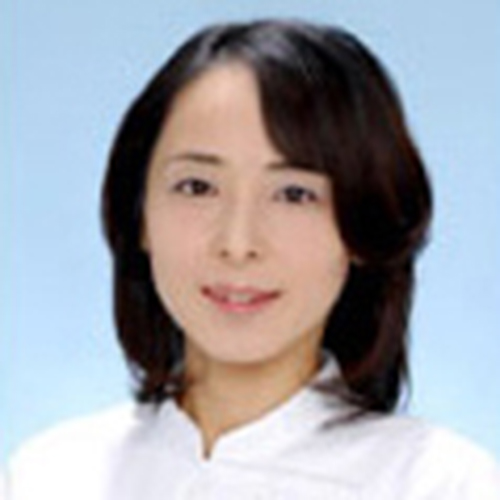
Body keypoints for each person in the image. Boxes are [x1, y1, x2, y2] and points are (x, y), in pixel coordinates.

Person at [4, 19, 499, 500]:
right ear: (139, 215)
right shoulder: (53, 475)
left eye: (294, 194)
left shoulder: (439, 484)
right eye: (197, 186)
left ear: (362, 227)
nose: (238, 243)